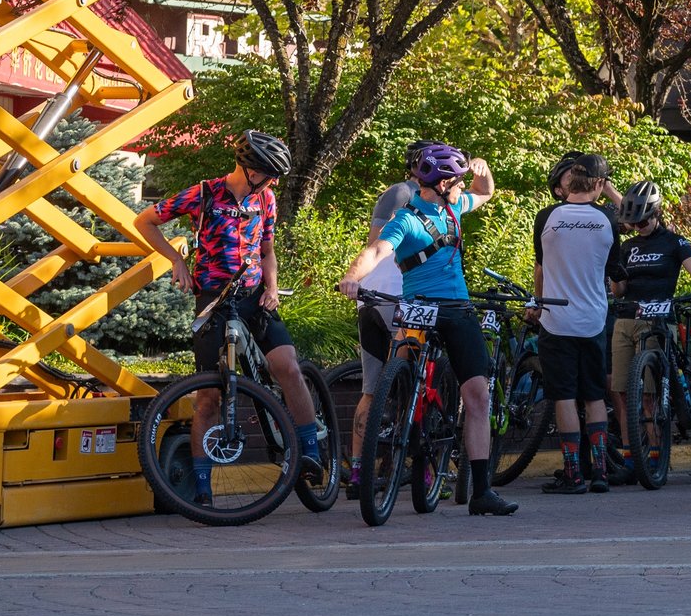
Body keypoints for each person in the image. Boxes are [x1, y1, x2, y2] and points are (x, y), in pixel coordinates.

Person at [132, 131, 327, 506]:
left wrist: (272, 287)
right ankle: (202, 489)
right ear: (250, 170)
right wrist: (175, 260)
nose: (272, 183)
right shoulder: (205, 193)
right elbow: (144, 221)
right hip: (214, 300)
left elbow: (267, 251)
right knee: (208, 397)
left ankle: (309, 452)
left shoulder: (265, 199)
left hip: (254, 297)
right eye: (269, 175)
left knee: (288, 366)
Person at [340, 141, 516, 517]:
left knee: (477, 395)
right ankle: (409, 423)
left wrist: (483, 170)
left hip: (457, 309)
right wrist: (352, 277)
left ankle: (482, 491)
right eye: (458, 180)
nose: (462, 186)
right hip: (419, 306)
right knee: (399, 376)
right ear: (442, 183)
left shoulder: (454, 207)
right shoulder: (405, 220)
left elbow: (485, 192)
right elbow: (376, 251)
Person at [607, 181, 691, 460]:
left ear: (656, 214)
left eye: (643, 221)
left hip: (658, 320)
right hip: (626, 320)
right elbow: (619, 291)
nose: (638, 227)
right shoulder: (628, 246)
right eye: (634, 223)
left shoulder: (674, 242)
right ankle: (630, 456)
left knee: (648, 395)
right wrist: (615, 275)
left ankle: (655, 454)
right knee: (622, 392)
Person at [534, 151, 618, 494]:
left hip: (556, 318)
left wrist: (537, 303)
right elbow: (615, 269)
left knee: (564, 397)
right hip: (594, 319)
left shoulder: (547, 217)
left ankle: (573, 474)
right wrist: (608, 191)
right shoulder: (607, 220)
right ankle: (600, 472)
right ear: (598, 184)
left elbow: (541, 268)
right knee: (594, 396)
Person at [346, 141, 424, 496]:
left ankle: (358, 471)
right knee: (414, 385)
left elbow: (373, 245)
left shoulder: (393, 194)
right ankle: (420, 471)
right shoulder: (416, 196)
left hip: (370, 298)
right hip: (401, 296)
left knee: (371, 389)